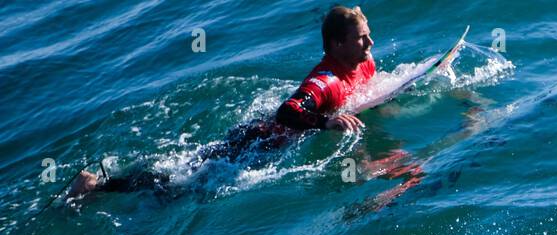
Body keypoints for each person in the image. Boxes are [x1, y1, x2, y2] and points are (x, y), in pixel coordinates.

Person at [69, 5, 378, 197]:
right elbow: (288, 111)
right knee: (178, 186)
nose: (370, 42)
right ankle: (95, 187)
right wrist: (327, 122)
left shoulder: (363, 62)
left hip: (263, 138)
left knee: (181, 176)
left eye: (368, 35)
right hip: (259, 143)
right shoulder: (324, 82)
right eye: (361, 38)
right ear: (337, 44)